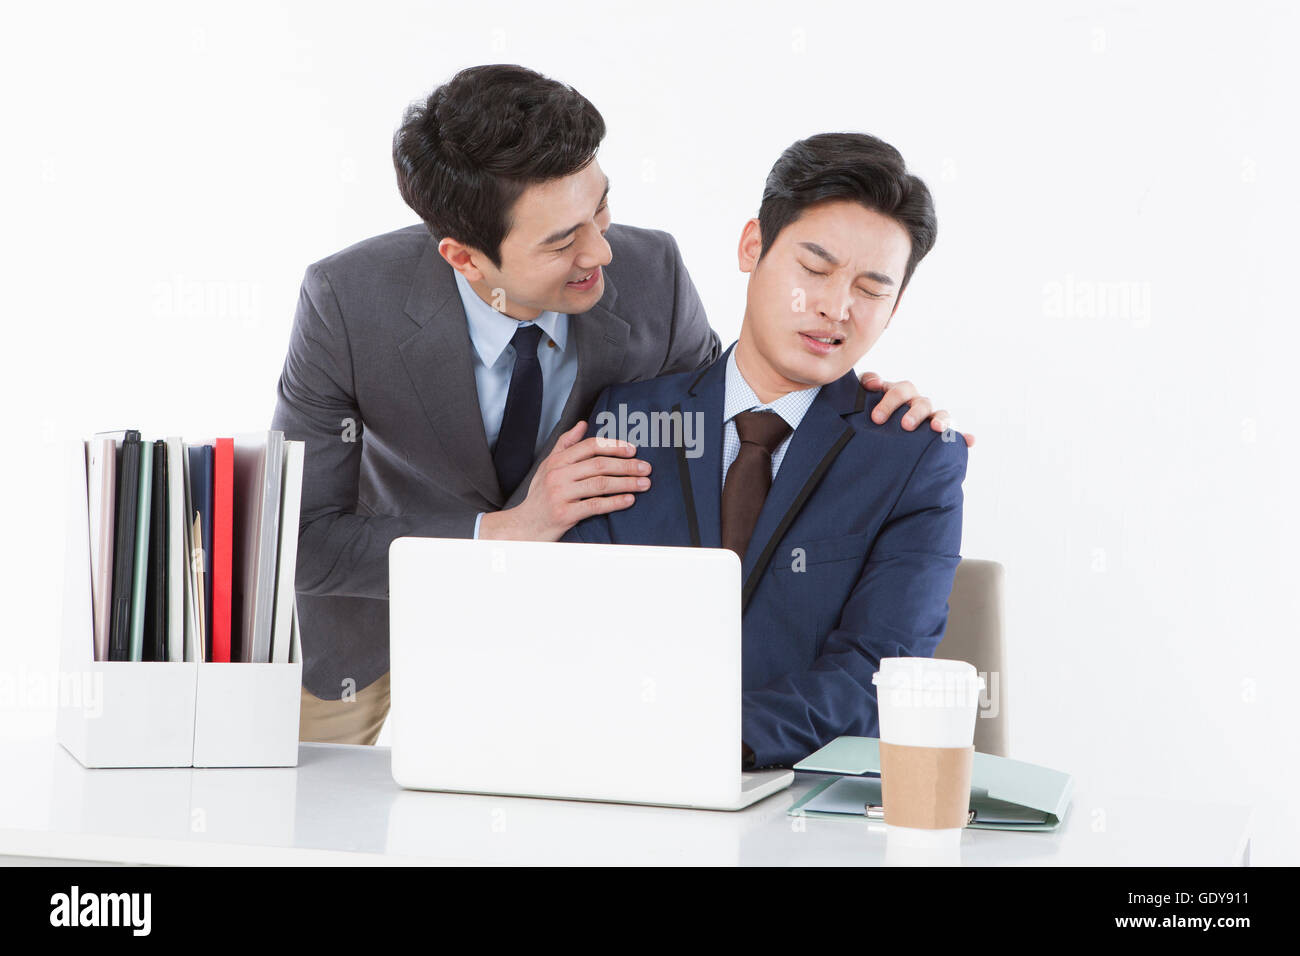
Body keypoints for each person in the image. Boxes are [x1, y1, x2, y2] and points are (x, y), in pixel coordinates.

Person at [271, 65, 962, 745]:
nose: (600, 248)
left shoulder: (650, 274)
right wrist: (506, 529)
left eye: (599, 207)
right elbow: (297, 538)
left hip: (573, 676)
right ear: (465, 257)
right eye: (561, 240)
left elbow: (729, 407)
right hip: (373, 624)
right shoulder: (349, 302)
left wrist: (862, 405)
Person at [554, 132, 964, 768]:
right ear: (753, 247)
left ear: (896, 305)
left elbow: (878, 674)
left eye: (871, 289)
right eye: (815, 269)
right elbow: (573, 620)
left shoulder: (914, 460)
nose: (834, 307)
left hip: (800, 798)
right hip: (615, 774)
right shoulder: (630, 419)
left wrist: (702, 743)